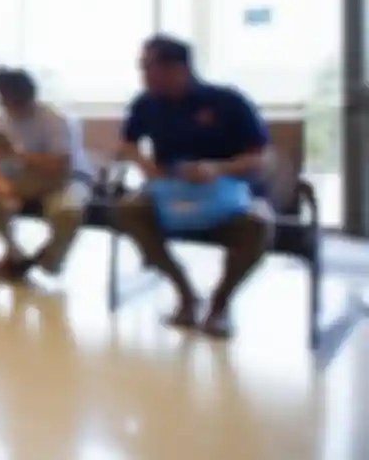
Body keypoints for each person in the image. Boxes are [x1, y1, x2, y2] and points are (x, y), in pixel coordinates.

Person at [112, 35, 271, 339]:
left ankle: (220, 304)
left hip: (225, 193)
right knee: (128, 210)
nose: (143, 75)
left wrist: (218, 169)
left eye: (149, 67)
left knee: (258, 224)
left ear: (177, 69)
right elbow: (127, 144)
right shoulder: (146, 104)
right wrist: (147, 166)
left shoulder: (227, 101)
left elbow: (259, 158)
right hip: (171, 190)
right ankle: (185, 293)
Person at [0, 68, 93, 281]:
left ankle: (50, 259)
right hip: (21, 178)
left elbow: (60, 165)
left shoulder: (54, 120)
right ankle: (14, 253)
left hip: (64, 180)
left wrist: (17, 154)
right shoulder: (0, 121)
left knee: (66, 211)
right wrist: (2, 188)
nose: (3, 101)